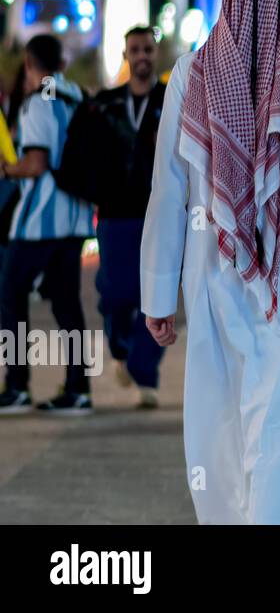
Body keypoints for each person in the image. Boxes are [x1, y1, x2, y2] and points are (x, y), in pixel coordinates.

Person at [141, 0, 280, 523]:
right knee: (273, 448)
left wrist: (158, 294)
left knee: (220, 437)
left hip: (213, 279)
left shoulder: (193, 73)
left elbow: (169, 191)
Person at [0, 35, 96, 414]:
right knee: (67, 304)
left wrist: (8, 168)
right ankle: (78, 389)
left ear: (29, 62)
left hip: (39, 222)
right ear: (62, 63)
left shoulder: (38, 103)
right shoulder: (77, 97)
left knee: (9, 295)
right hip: (75, 220)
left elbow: (36, 163)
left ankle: (17, 385)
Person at [92, 26, 168, 408]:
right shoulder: (105, 104)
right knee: (115, 293)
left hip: (160, 215)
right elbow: (82, 153)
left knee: (157, 296)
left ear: (157, 54)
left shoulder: (172, 100)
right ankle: (121, 348)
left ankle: (145, 374)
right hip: (115, 215)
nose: (142, 56)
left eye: (148, 50)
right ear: (125, 55)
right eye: (135, 50)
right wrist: (95, 189)